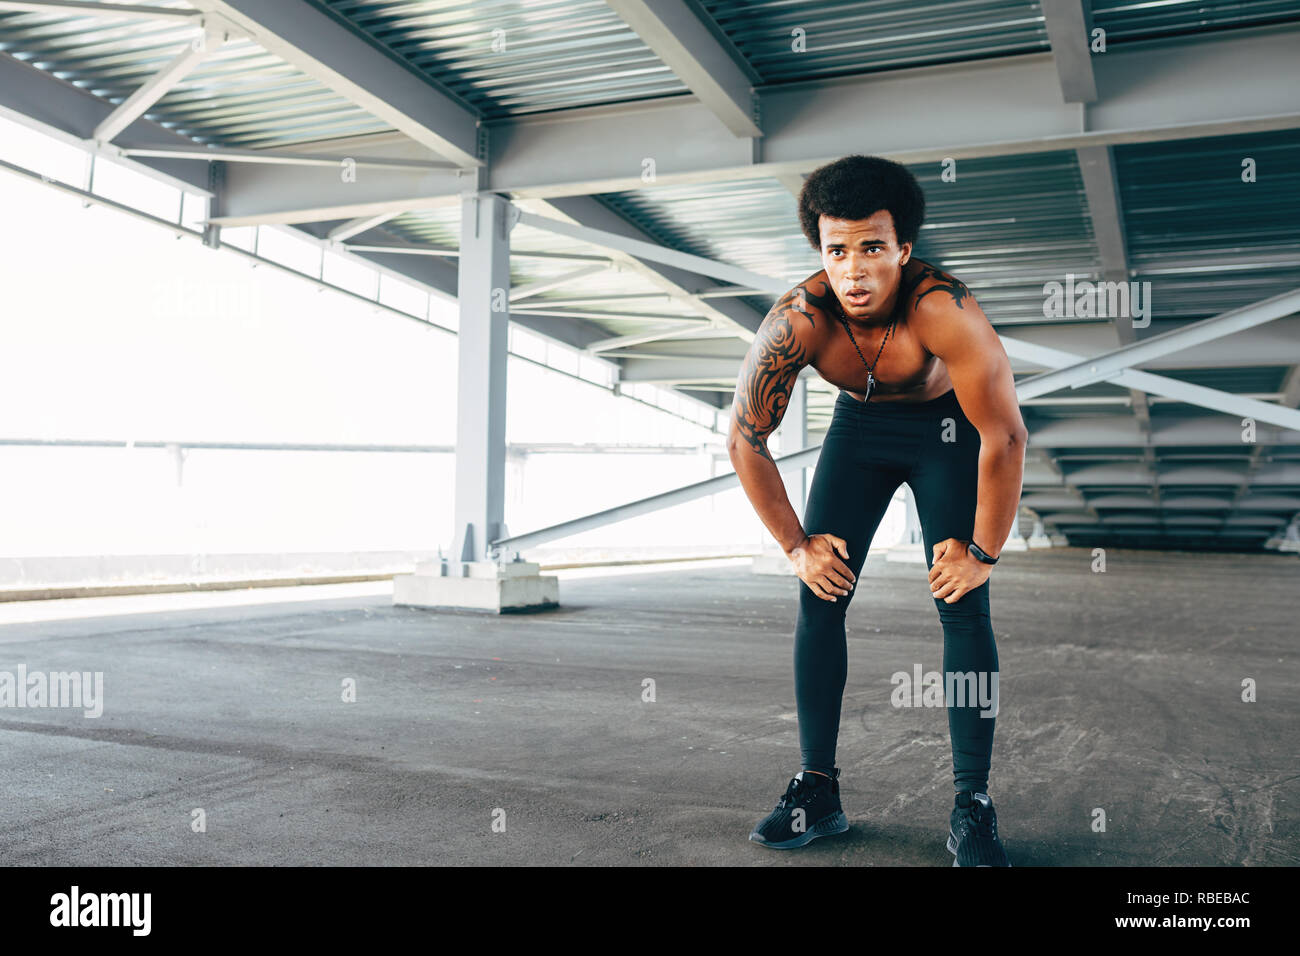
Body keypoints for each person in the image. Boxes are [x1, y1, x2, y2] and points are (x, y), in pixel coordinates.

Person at [726, 154, 1027, 866]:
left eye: (871, 248)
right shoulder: (797, 323)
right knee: (820, 593)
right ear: (819, 251)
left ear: (903, 249)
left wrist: (982, 551)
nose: (854, 270)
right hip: (858, 430)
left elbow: (1004, 435)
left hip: (947, 430)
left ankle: (972, 803)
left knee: (962, 602)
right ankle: (817, 790)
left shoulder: (942, 310)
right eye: (837, 250)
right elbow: (745, 438)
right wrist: (796, 545)